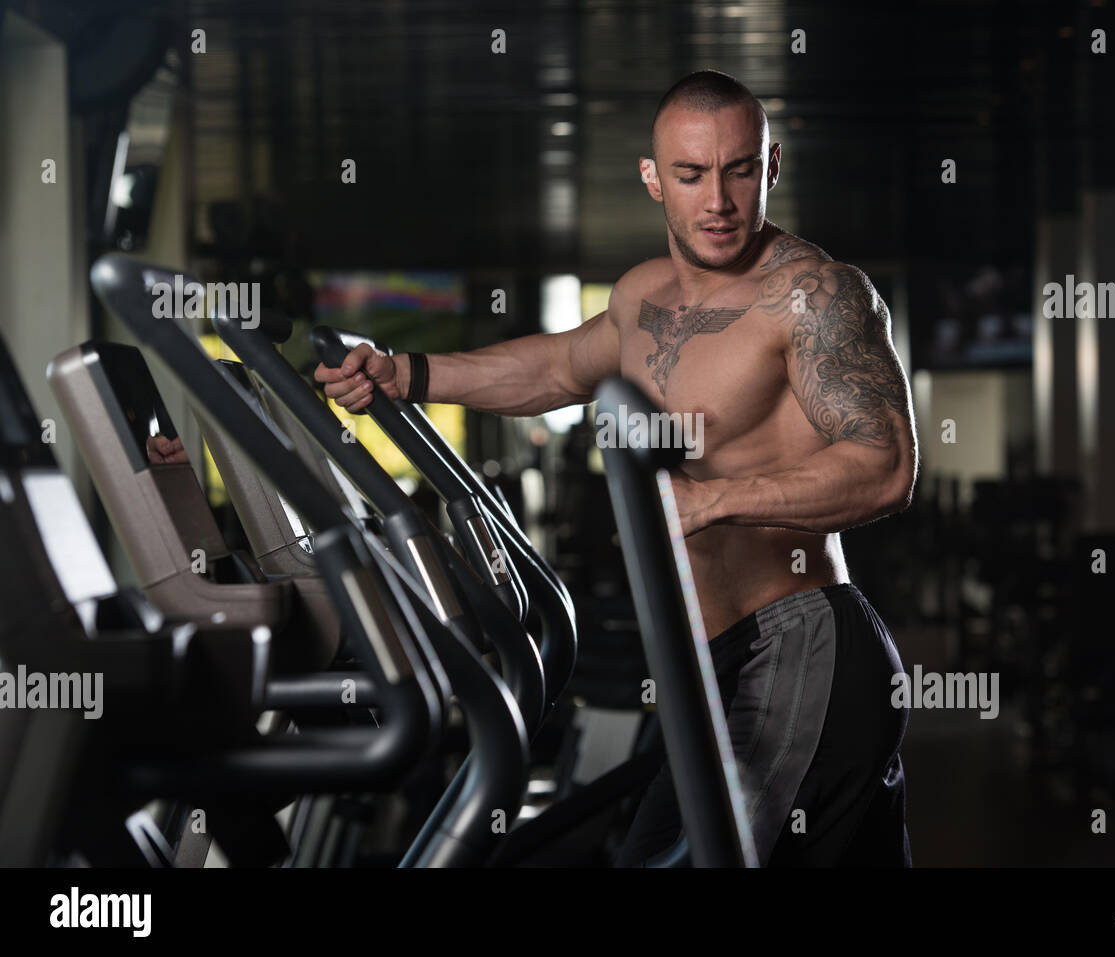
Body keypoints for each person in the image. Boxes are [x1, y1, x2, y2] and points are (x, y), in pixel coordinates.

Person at [316, 69, 918, 867]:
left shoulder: (813, 296)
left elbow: (885, 465)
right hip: (710, 665)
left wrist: (713, 501)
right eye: (691, 174)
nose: (718, 202)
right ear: (652, 179)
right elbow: (559, 366)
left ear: (770, 167)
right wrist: (409, 375)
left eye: (739, 170)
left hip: (799, 651)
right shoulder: (642, 298)